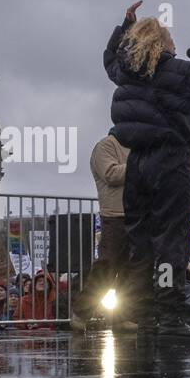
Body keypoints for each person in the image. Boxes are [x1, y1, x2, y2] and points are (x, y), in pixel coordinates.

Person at [104, 0, 190, 345]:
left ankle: (143, 314)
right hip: (171, 162)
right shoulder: (177, 70)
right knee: (170, 242)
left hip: (137, 162)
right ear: (162, 44)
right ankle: (170, 313)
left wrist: (123, 26)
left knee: (141, 242)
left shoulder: (126, 71)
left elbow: (109, 61)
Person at [72, 133, 130, 332]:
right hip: (114, 214)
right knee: (107, 265)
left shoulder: (137, 146)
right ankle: (81, 311)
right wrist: (141, 166)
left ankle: (124, 316)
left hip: (137, 213)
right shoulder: (105, 146)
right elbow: (111, 174)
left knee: (130, 270)